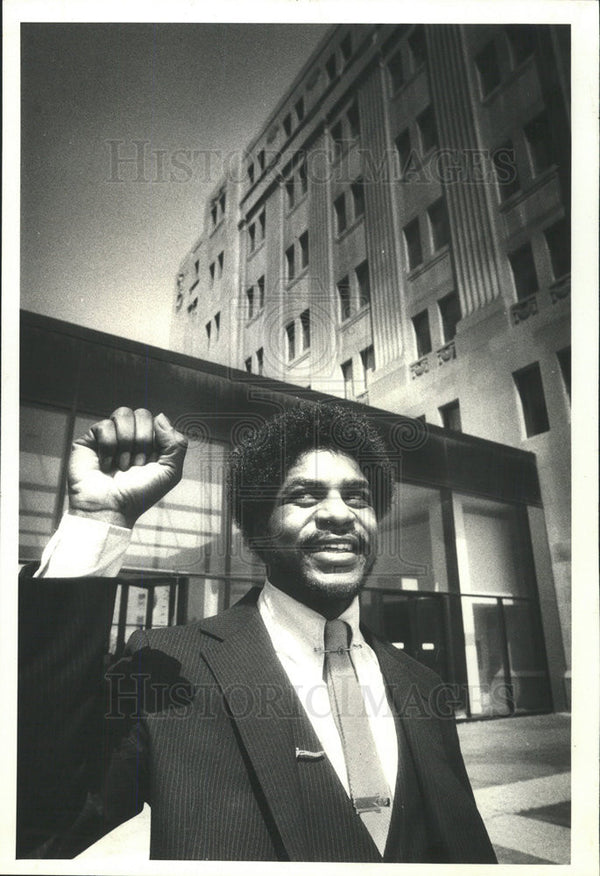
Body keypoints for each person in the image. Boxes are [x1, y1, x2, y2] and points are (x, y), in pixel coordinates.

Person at [18, 402, 497, 862]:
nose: (340, 514)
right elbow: (40, 823)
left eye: (357, 497)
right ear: (257, 531)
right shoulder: (168, 667)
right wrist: (98, 519)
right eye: (305, 496)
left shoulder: (422, 685)